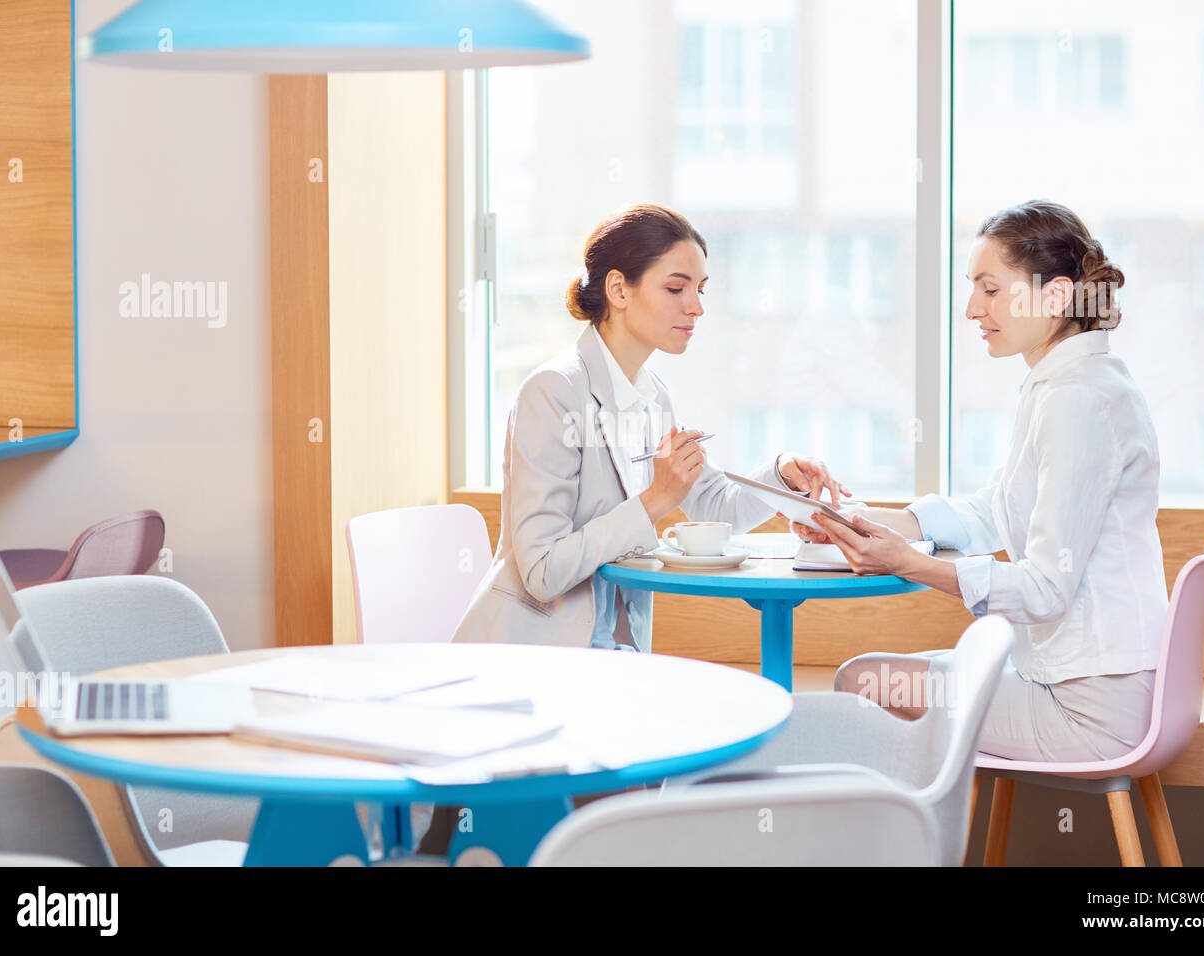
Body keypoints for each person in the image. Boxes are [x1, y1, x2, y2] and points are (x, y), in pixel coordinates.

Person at [800, 200, 1167, 762]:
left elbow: (1045, 590)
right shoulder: (1068, 382)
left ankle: (908, 847)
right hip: (1081, 679)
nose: (971, 309)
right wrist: (866, 521)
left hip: (1090, 704)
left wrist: (908, 562)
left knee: (864, 687)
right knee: (868, 677)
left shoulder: (1078, 400)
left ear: (1056, 295)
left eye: (989, 289)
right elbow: (996, 508)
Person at [452, 202, 845, 652]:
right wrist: (656, 499)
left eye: (700, 289)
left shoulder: (652, 394)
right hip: (538, 655)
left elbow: (715, 506)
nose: (696, 307)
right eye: (676, 288)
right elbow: (543, 572)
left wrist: (779, 473)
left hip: (616, 654)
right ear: (618, 289)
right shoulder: (553, 392)